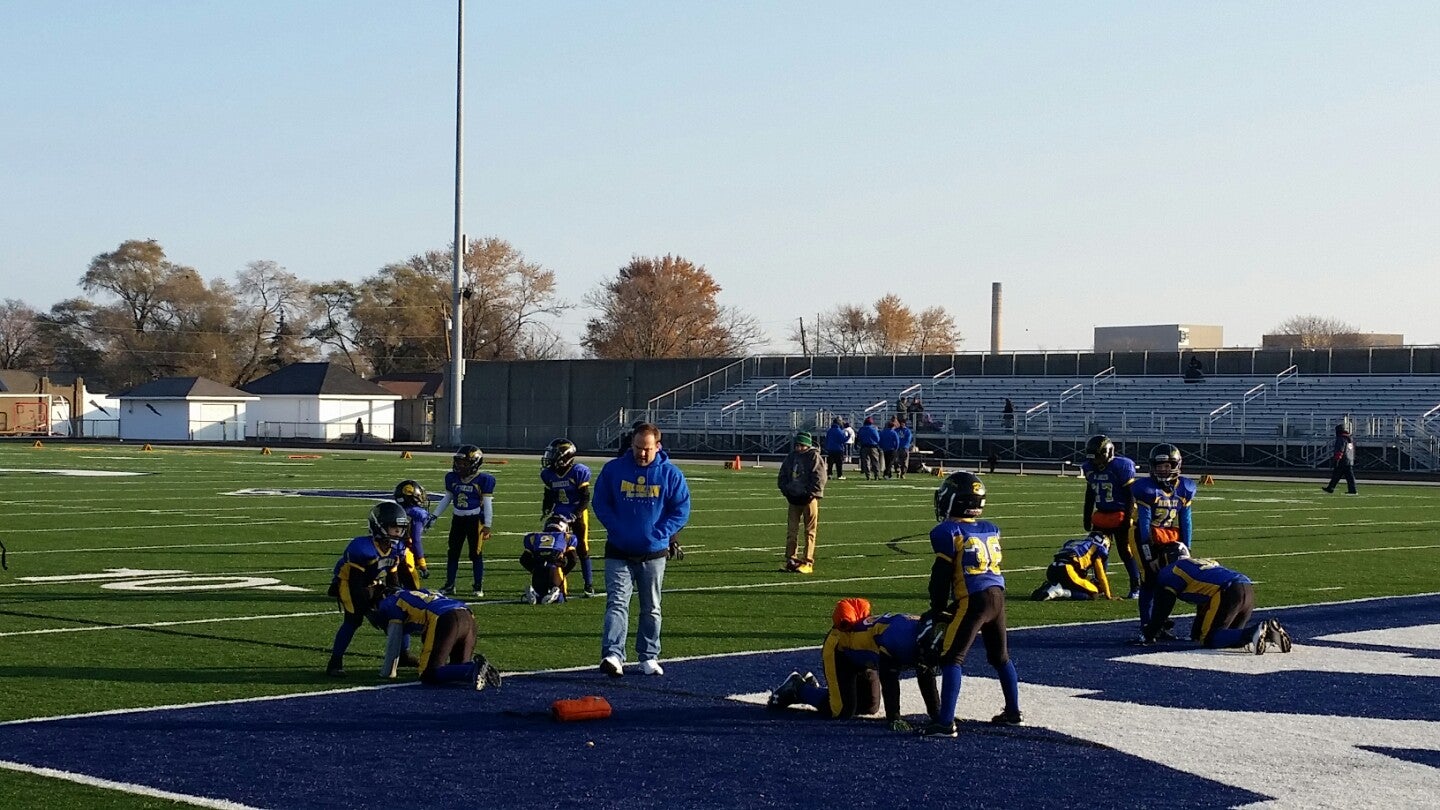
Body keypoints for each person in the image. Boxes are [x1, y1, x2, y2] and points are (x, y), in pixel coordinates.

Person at [920, 471, 1022, 737]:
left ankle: (945, 722)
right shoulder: (990, 528)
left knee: (952, 657)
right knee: (1000, 657)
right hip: (998, 596)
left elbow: (940, 576)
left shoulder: (948, 531)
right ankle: (1013, 712)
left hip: (974, 599)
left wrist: (938, 606)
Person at [592, 422, 691, 677]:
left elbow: (681, 509)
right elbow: (601, 503)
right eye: (637, 447)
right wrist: (617, 528)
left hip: (654, 553)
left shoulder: (670, 474)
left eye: (647, 449)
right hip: (618, 550)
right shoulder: (614, 470)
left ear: (658, 447)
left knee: (652, 607)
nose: (642, 453)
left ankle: (648, 655)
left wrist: (660, 534)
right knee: (616, 603)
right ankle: (613, 654)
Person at [766, 598, 942, 732]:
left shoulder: (919, 634)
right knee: (841, 711)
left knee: (868, 707)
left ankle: (821, 691)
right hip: (841, 649)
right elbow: (890, 680)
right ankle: (799, 688)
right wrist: (894, 717)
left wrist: (937, 716)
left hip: (866, 656)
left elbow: (926, 675)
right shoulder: (899, 640)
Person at [1136, 547, 1293, 655]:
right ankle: (1268, 634)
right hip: (1247, 589)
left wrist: (1150, 632)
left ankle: (1255, 630)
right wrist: (1195, 633)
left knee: (1210, 639)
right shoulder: (1203, 563)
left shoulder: (1173, 570)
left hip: (1228, 592)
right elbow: (1205, 605)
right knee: (1232, 639)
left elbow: (1164, 606)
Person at [325, 502, 407, 676]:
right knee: (354, 620)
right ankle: (335, 662)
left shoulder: (396, 548)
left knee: (398, 612)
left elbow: (393, 575)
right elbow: (356, 583)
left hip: (372, 582)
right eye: (394, 528)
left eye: (400, 528)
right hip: (348, 583)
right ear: (380, 527)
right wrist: (367, 607)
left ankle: (404, 655)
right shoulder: (362, 548)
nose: (398, 533)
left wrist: (396, 593)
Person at [368, 588, 504, 688]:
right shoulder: (419, 593)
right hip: (468, 615)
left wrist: (388, 672)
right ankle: (475, 669)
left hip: (446, 618)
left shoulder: (391, 602)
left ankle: (474, 668)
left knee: (428, 674)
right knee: (457, 669)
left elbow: (395, 637)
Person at [1132, 443, 1198, 631]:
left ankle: (1159, 621)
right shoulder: (1146, 488)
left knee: (1169, 578)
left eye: (1167, 466)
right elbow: (1144, 525)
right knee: (1149, 578)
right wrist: (1149, 555)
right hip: (1142, 535)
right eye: (1159, 466)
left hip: (1167, 535)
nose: (1163, 470)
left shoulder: (1185, 487)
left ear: (1176, 465)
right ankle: (1147, 623)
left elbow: (1186, 521)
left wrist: (1187, 548)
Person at [429, 444, 497, 598]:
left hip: (475, 520)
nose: (460, 465)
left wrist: (488, 525)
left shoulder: (484, 480)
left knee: (476, 554)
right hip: (457, 518)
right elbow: (447, 498)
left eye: (464, 463)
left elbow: (488, 504)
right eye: (459, 462)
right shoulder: (452, 478)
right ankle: (450, 584)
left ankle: (478, 585)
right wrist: (434, 515)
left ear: (474, 463)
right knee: (453, 553)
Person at [1080, 435, 1141, 599]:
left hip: (1122, 513)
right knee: (1098, 551)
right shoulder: (1089, 467)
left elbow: (1130, 495)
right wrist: (1086, 515)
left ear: (1107, 452)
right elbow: (1090, 492)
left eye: (1098, 456)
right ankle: (1100, 583)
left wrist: (1128, 518)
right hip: (1102, 515)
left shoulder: (1121, 465)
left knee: (1125, 551)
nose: (1095, 461)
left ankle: (1136, 585)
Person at [540, 437, 596, 596]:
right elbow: (549, 494)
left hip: (577, 513)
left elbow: (585, 498)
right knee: (553, 549)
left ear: (564, 456)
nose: (549, 457)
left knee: (582, 548)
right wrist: (546, 508)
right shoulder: (549, 474)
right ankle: (556, 583)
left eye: (553, 454)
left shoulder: (578, 471)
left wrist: (576, 514)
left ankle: (588, 584)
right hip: (559, 513)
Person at [777, 430, 826, 574]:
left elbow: (819, 478)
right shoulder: (791, 457)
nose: (798, 448)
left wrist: (811, 494)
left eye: (801, 445)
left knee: (809, 531)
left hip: (808, 500)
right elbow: (783, 475)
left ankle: (808, 561)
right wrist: (787, 491)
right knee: (791, 531)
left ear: (807, 445)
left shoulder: (814, 457)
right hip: (793, 499)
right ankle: (791, 558)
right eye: (797, 445)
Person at [1030, 532, 1114, 601]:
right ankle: (1059, 592)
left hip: (1052, 569)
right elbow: (1101, 575)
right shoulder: (1096, 548)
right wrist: (1108, 595)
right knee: (1094, 592)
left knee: (1073, 584)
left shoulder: (1076, 543)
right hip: (1066, 570)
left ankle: (1047, 588)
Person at [519, 513, 579, 604]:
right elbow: (573, 560)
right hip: (554, 569)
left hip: (538, 570)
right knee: (561, 598)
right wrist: (564, 571)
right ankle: (557, 595)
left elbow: (524, 559)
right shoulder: (567, 537)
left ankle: (535, 594)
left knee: (541, 596)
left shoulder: (533, 537)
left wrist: (534, 569)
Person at [392, 479, 434, 589]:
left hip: (388, 552)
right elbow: (416, 541)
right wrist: (422, 564)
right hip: (404, 553)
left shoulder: (397, 510)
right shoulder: (417, 514)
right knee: (412, 588)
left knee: (393, 586)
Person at [1322, 423, 1358, 495]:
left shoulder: (1341, 438)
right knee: (1348, 476)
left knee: (1337, 475)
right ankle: (1331, 488)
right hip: (1349, 460)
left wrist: (1337, 459)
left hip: (1342, 460)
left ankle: (1331, 488)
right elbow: (1350, 450)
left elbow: (1340, 449)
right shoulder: (1349, 439)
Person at [857, 416, 882, 480]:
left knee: (866, 462)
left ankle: (868, 475)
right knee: (875, 461)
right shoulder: (874, 429)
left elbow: (859, 437)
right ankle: (876, 475)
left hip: (864, 446)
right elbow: (877, 438)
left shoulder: (861, 429)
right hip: (873, 447)